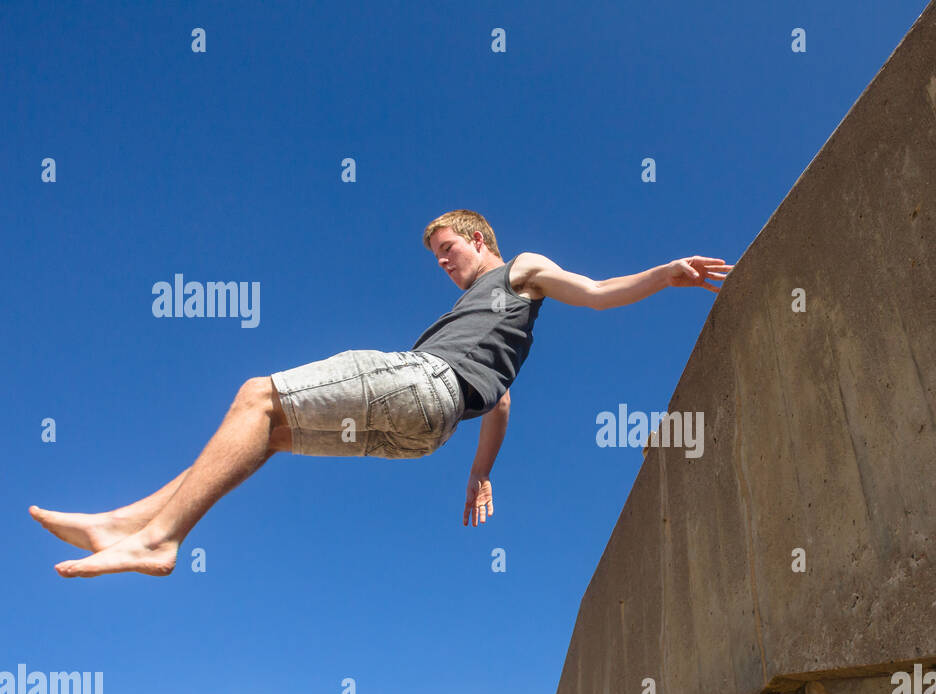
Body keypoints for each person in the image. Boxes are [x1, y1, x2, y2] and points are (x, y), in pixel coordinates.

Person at [30, 209, 732, 578]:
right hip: (428, 431)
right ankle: (126, 524)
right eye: (436, 257)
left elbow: (598, 291)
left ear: (480, 237)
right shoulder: (486, 333)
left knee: (255, 395)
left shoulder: (521, 267)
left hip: (422, 388)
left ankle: (157, 538)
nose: (443, 262)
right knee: (263, 435)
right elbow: (503, 402)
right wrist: (480, 474)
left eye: (447, 248)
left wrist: (664, 272)